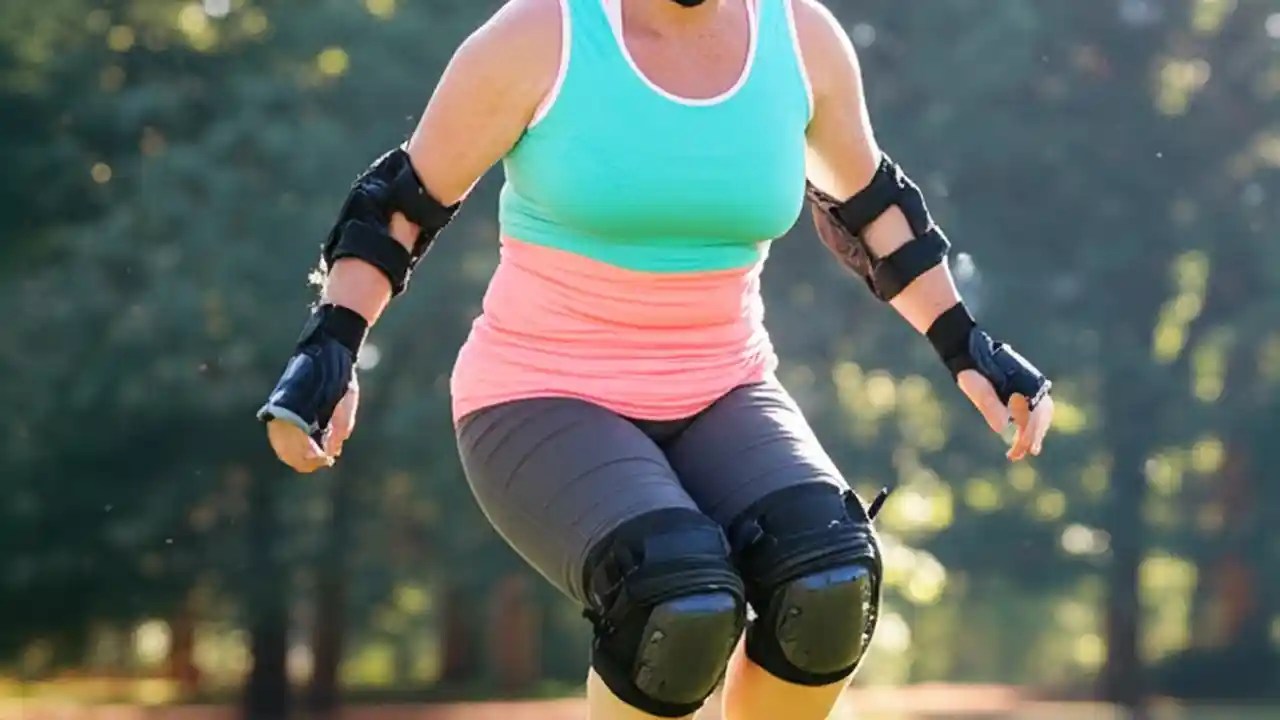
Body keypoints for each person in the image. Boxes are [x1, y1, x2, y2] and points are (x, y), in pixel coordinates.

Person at [257, 0, 1056, 718]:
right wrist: (332, 347)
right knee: (674, 600)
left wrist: (968, 346)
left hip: (726, 386)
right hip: (541, 395)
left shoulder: (799, 37)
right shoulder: (544, 35)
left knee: (828, 578)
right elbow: (396, 204)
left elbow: (875, 206)